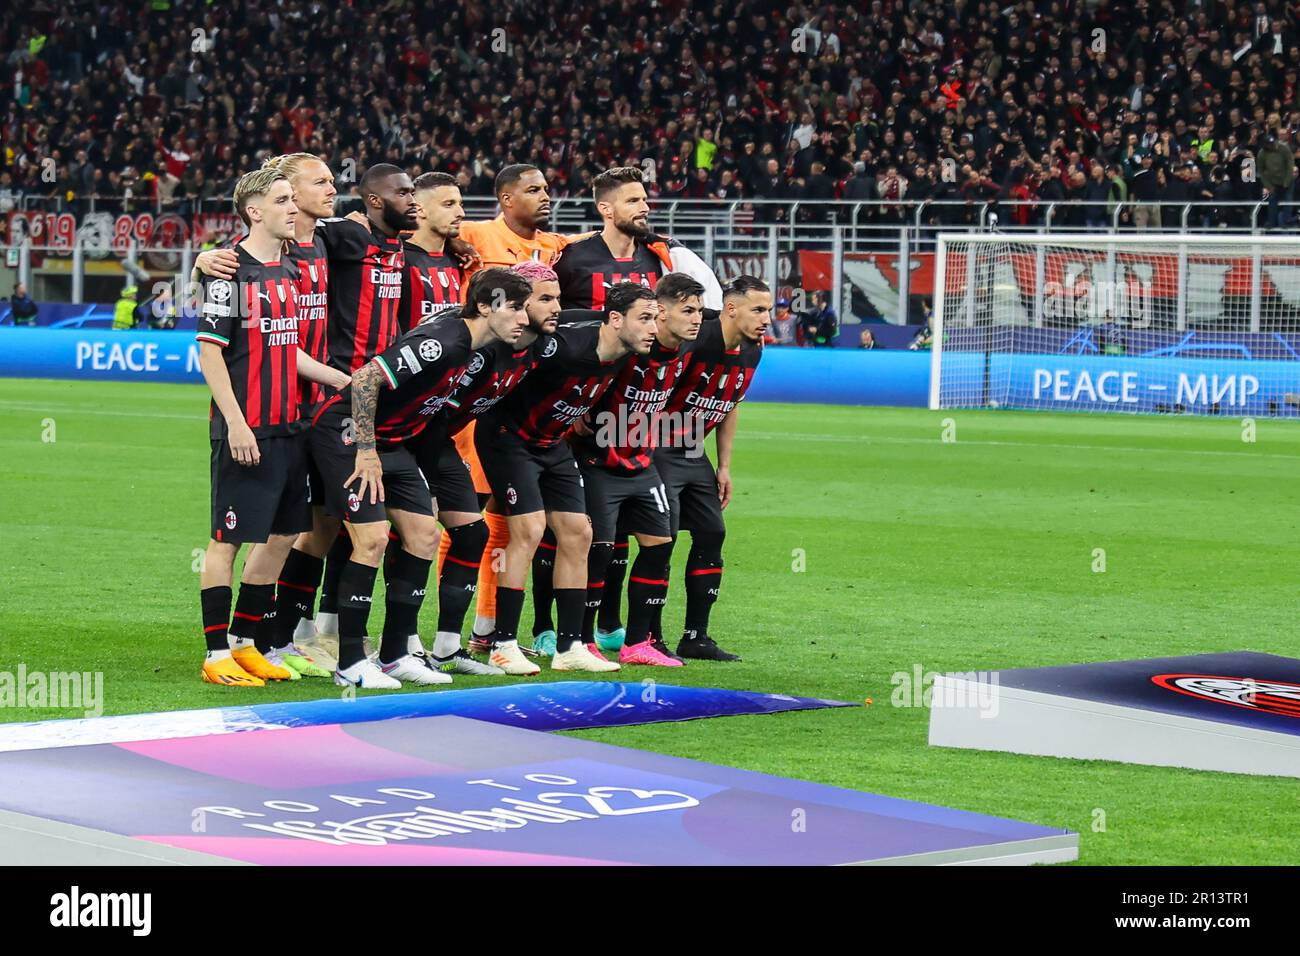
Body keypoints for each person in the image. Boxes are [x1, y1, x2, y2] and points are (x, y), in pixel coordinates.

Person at [314, 268, 532, 688]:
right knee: (373, 538)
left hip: (395, 441)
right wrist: (366, 449)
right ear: (486, 307)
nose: (523, 318)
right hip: (348, 434)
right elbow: (365, 378)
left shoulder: (474, 345)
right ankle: (350, 662)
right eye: (516, 307)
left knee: (424, 536)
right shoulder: (446, 343)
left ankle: (395, 655)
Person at [195, 167, 349, 688]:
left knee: (284, 534)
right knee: (227, 541)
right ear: (255, 211)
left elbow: (290, 351)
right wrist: (235, 423)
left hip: (290, 426)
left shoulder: (286, 270)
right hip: (248, 429)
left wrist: (345, 379)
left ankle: (245, 642)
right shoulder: (227, 271)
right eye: (283, 199)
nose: (293, 208)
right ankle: (216, 653)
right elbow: (210, 355)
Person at [473, 282, 657, 673]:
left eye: (655, 319)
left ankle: (569, 647)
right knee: (529, 531)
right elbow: (503, 355)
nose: (653, 328)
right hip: (509, 439)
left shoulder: (627, 352)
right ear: (616, 319)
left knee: (578, 532)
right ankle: (502, 643)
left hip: (551, 444)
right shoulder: (563, 345)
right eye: (645, 319)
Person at [567, 273, 707, 667]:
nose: (697, 320)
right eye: (689, 311)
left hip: (642, 463)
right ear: (661, 314)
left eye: (700, 311)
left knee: (659, 545)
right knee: (599, 551)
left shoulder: (682, 352)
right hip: (599, 463)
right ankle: (582, 640)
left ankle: (637, 643)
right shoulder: (629, 347)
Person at [650, 275, 771, 661]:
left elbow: (731, 402)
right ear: (731, 309)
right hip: (656, 447)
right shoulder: (695, 339)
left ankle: (696, 636)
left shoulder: (753, 350)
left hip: (692, 452)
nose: (767, 318)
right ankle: (648, 636)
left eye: (768, 310)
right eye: (758, 309)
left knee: (711, 532)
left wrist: (725, 466)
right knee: (660, 541)